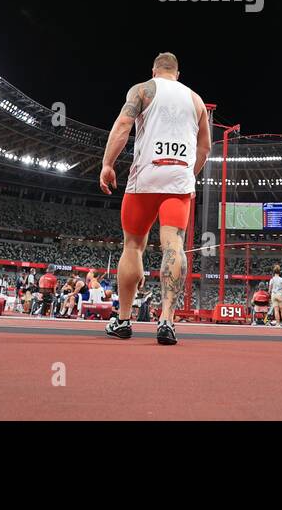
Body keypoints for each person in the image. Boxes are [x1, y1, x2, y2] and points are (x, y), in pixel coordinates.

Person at [99, 52, 211, 345]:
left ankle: (123, 320)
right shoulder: (196, 100)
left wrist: (108, 164)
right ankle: (167, 322)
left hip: (145, 179)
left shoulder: (142, 90)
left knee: (133, 246)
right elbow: (205, 148)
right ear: (178, 73)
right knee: (173, 245)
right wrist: (189, 174)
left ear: (154, 70)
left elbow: (123, 126)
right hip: (178, 180)